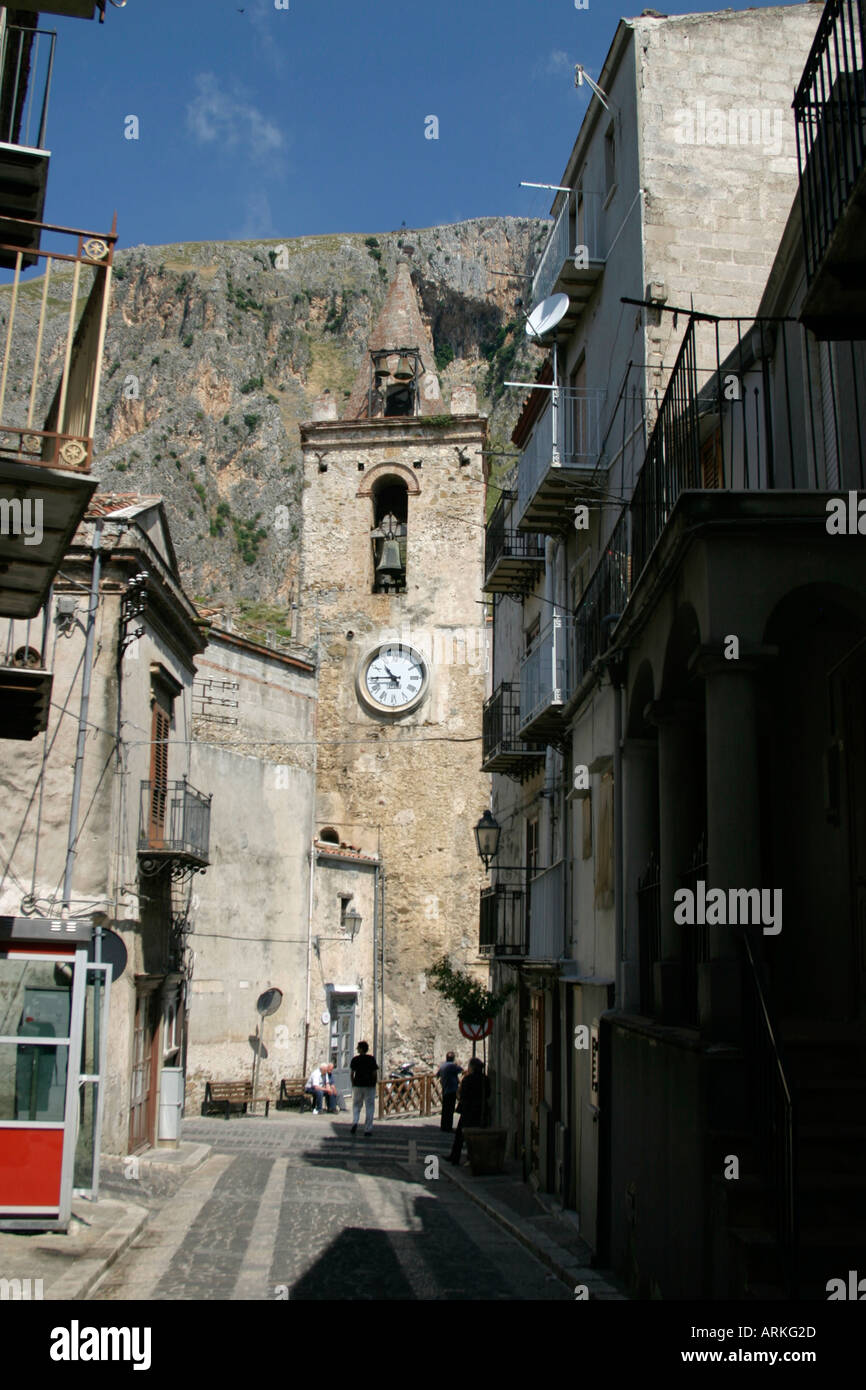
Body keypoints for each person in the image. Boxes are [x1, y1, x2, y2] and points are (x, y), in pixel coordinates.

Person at [449, 1056, 490, 1166]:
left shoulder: (468, 1079)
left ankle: (455, 1158)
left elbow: (462, 1093)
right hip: (481, 1109)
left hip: (468, 1109)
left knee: (460, 1136)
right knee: (478, 1135)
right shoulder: (485, 1079)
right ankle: (475, 1158)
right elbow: (488, 1093)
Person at [350, 1040, 378, 1135]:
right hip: (369, 1085)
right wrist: (374, 1083)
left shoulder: (355, 1059)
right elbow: (374, 1073)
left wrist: (353, 1083)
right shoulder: (371, 1059)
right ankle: (368, 1129)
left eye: (358, 1047)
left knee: (356, 1105)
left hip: (358, 1085)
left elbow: (352, 1073)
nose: (357, 1048)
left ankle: (355, 1122)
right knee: (369, 1106)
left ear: (361, 1049)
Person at [437, 1051, 463, 1133]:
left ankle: (443, 1126)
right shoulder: (452, 1066)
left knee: (445, 1109)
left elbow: (437, 1074)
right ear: (453, 1058)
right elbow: (461, 1070)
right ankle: (448, 1127)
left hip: (445, 1089)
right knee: (450, 1109)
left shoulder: (442, 1066)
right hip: (452, 1089)